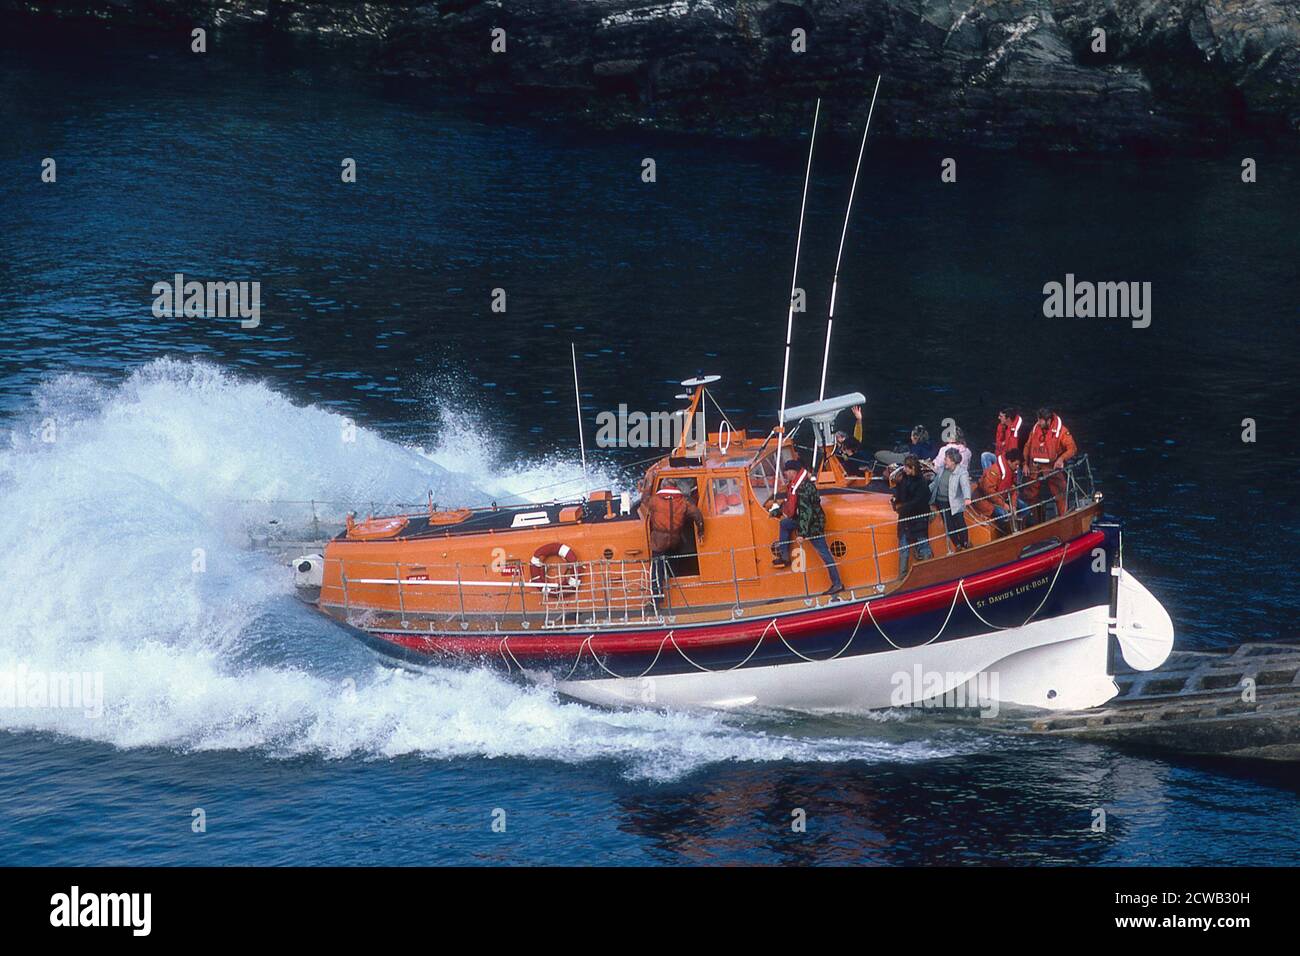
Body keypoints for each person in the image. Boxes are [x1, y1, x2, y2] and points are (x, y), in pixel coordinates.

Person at [771, 458, 844, 595]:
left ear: (792, 472)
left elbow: (806, 511)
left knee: (825, 554)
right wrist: (777, 511)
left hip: (813, 525)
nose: (785, 474)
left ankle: (837, 583)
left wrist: (802, 534)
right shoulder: (797, 485)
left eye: (786, 472)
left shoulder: (803, 488)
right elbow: (791, 504)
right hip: (805, 520)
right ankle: (785, 556)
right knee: (784, 524)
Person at [1022, 407, 1078, 520]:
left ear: (1048, 420)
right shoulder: (1035, 429)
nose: (1038, 422)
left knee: (1059, 492)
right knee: (1030, 494)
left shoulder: (1062, 431)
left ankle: (1063, 517)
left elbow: (1072, 448)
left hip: (1052, 467)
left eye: (1041, 420)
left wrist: (1061, 459)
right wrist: (1025, 463)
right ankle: (1035, 520)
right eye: (1038, 420)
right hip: (1034, 466)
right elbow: (1027, 446)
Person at [890, 454, 933, 577]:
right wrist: (896, 499)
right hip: (906, 516)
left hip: (917, 517)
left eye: (907, 467)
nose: (904, 469)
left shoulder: (921, 483)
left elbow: (920, 500)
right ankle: (902, 575)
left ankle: (927, 572)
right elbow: (900, 492)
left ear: (912, 468)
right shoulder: (904, 478)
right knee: (904, 545)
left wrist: (903, 507)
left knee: (922, 543)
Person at [642, 477, 704, 557]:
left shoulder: (655, 501)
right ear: (676, 487)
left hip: (659, 541)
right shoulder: (683, 502)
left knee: (658, 564)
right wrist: (700, 531)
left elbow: (644, 499)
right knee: (675, 560)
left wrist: (649, 484)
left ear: (662, 487)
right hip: (675, 540)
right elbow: (697, 514)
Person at [930, 447, 971, 550]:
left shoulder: (962, 472)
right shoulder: (942, 469)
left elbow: (965, 485)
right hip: (941, 501)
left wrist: (967, 497)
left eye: (946, 459)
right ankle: (957, 544)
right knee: (948, 524)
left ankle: (965, 542)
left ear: (953, 461)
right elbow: (935, 483)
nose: (944, 461)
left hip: (955, 501)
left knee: (960, 522)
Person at [971, 447, 1019, 536]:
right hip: (983, 500)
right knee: (1002, 514)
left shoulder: (1011, 473)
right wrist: (1003, 504)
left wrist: (1014, 505)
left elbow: (1014, 491)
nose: (1017, 467)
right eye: (1016, 464)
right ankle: (1005, 536)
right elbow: (988, 491)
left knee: (1023, 508)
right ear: (1009, 462)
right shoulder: (994, 471)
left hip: (998, 499)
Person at [982, 407, 1026, 472]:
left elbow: (1016, 453)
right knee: (985, 456)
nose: (998, 418)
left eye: (1001, 416)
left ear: (1007, 419)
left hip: (1009, 461)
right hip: (999, 457)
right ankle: (988, 477)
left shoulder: (1015, 432)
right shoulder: (1000, 426)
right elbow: (999, 442)